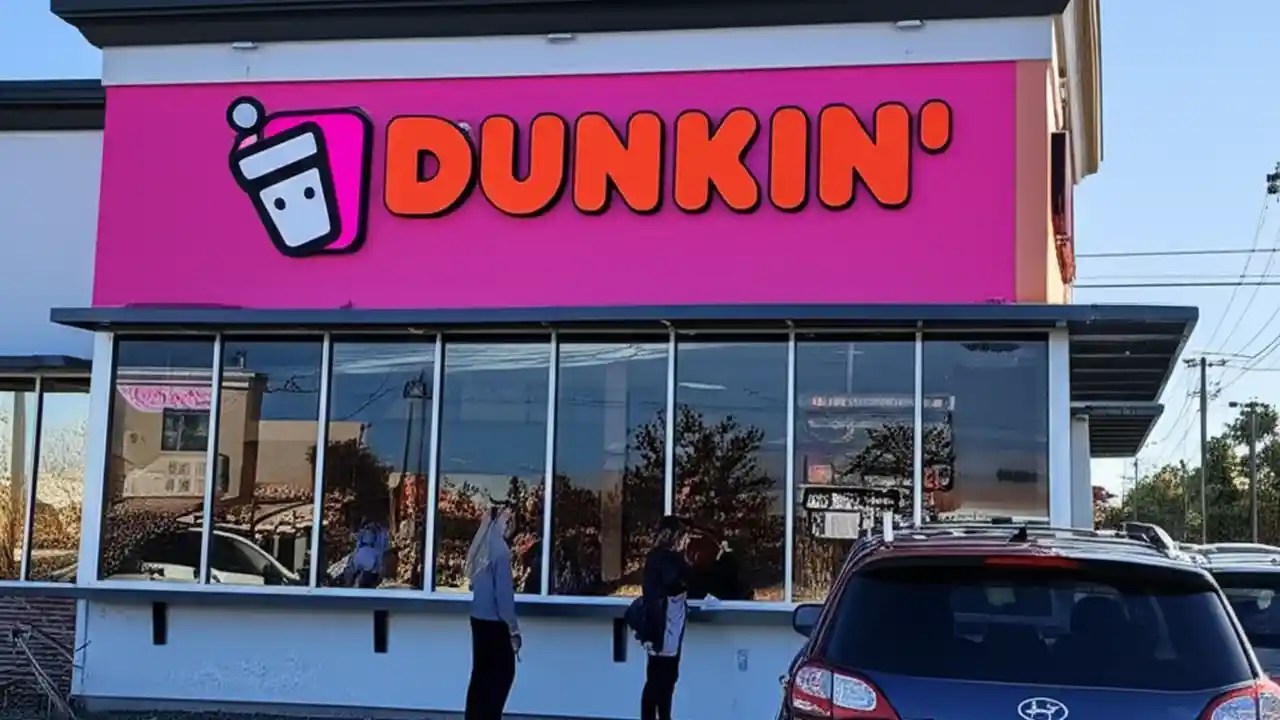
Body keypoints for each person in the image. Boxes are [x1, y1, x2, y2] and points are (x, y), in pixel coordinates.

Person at [464, 504, 521, 720]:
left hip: (478, 620)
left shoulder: (480, 547)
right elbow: (504, 597)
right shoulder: (501, 551)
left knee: (480, 679)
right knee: (503, 676)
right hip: (496, 624)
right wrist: (513, 631)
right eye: (510, 522)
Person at [639, 515, 689, 720]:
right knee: (665, 680)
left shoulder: (653, 557)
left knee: (653, 679)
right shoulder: (671, 559)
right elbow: (677, 583)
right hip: (666, 625)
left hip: (654, 624)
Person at [347, 515, 390, 588]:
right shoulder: (363, 542)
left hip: (369, 571)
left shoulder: (378, 540)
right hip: (364, 570)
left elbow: (380, 555)